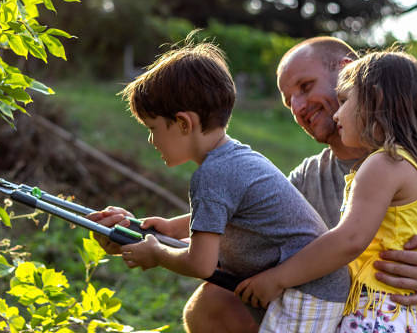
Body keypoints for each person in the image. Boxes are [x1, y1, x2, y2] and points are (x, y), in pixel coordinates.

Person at [106, 38, 350, 331]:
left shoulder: (211, 175)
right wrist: (169, 229)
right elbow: (236, 215)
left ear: (184, 123)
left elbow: (201, 264)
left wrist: (157, 254)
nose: (151, 140)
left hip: (311, 291)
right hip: (322, 288)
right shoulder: (237, 157)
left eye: (153, 129)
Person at [236, 51, 417, 331]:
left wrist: (277, 278)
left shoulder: (383, 164)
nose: (337, 113)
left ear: (376, 100)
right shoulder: (411, 162)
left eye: (345, 100)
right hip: (411, 313)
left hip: (381, 308)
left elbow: (348, 240)